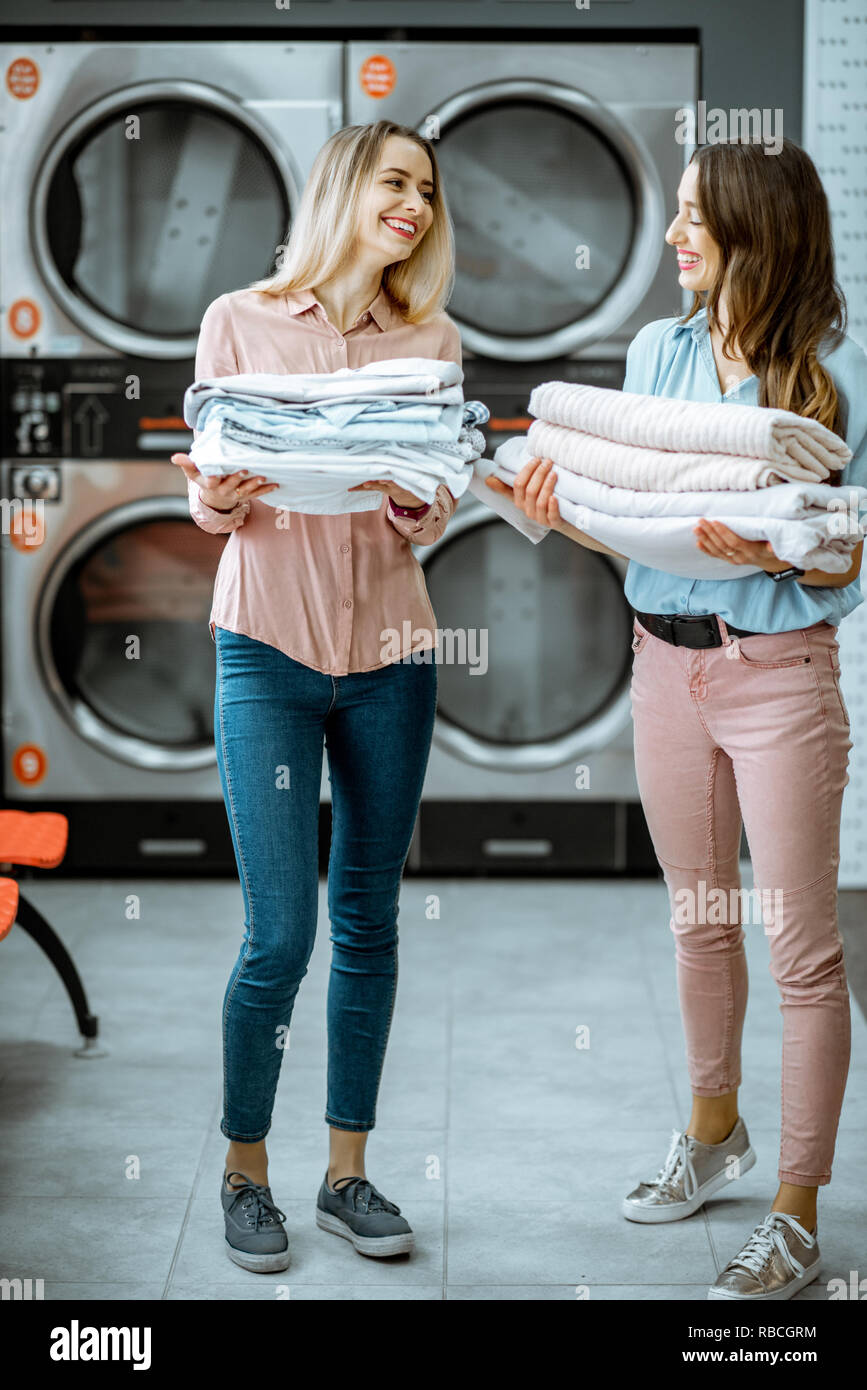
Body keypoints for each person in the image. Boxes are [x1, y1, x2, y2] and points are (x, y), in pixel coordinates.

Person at [491, 138, 866, 1301]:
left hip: (779, 677)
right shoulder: (657, 351)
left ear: (761, 231)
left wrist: (776, 553)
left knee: (802, 954)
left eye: (697, 216)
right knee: (700, 920)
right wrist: (558, 510)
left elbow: (849, 554)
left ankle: (797, 1212)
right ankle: (717, 1135)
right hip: (666, 668)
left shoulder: (834, 372)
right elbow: (633, 519)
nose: (672, 236)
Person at [171, 120, 461, 1272]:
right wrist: (219, 501)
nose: (417, 206)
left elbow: (435, 502)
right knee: (279, 933)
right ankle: (248, 1175)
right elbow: (208, 489)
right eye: (397, 182)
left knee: (370, 921)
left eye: (429, 191)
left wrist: (417, 505)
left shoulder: (430, 337)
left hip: (392, 656)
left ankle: (346, 1172)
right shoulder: (238, 321)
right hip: (269, 655)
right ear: (343, 189)